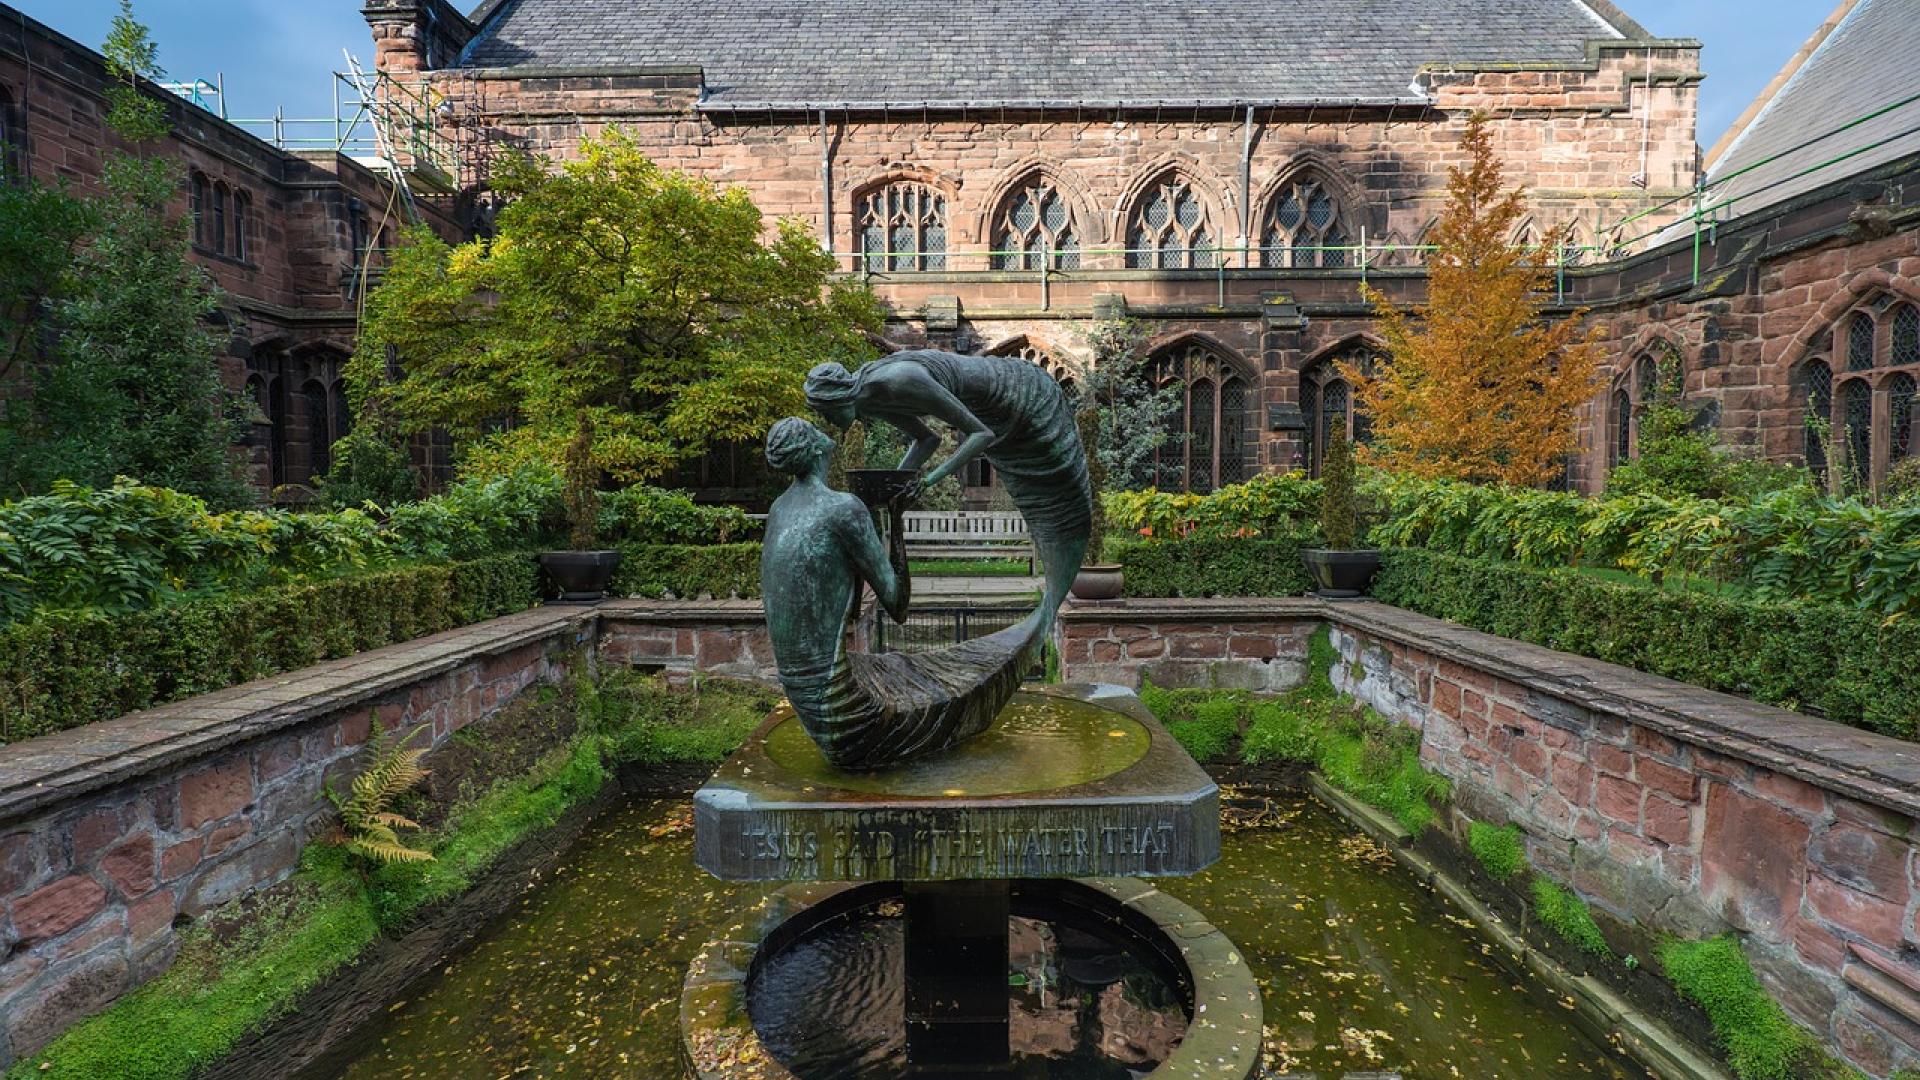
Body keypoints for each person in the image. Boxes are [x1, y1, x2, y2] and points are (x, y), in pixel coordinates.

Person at [760, 416, 1023, 768]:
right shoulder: (842, 509)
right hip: (843, 709)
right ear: (815, 447)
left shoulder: (780, 508)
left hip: (805, 701)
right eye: (817, 430)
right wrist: (896, 520)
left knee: (902, 666)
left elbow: (842, 601)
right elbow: (898, 607)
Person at [804, 349, 1090, 629]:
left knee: (1060, 508)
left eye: (826, 412)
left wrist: (927, 481)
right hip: (994, 411)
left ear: (839, 397)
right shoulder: (870, 400)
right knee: (1050, 513)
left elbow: (981, 434)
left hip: (1023, 395)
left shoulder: (899, 380)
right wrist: (897, 484)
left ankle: (1042, 620)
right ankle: (1037, 627)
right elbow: (927, 439)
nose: (826, 421)